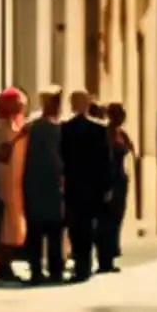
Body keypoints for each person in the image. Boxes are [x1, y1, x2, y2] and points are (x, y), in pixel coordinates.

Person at [60, 90, 112, 281]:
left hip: (75, 185)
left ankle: (80, 263)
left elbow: (62, 158)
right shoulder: (98, 129)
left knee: (76, 227)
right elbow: (106, 160)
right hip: (91, 186)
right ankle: (85, 265)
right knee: (88, 226)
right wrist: (107, 186)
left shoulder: (66, 128)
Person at [23, 87, 65, 285]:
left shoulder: (57, 127)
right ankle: (41, 269)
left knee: (51, 228)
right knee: (40, 229)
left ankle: (49, 268)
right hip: (40, 183)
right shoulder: (35, 126)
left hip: (50, 183)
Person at [0, 88, 27, 281]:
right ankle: (3, 263)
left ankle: (6, 261)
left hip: (16, 180)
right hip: (3, 180)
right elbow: (1, 153)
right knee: (4, 224)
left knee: (13, 223)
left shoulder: (15, 124)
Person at [100, 102, 134, 272]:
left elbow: (131, 150)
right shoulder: (106, 133)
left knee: (116, 218)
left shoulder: (121, 134)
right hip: (110, 179)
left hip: (121, 180)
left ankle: (111, 255)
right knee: (107, 219)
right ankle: (104, 259)